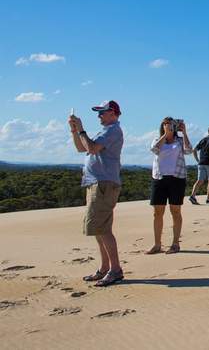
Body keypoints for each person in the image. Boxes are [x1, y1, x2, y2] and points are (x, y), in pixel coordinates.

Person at [68, 100, 125, 287]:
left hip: (104, 184)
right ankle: (105, 268)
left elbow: (91, 148)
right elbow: (81, 148)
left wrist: (82, 129)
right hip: (96, 183)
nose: (99, 115)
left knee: (103, 228)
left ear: (113, 113)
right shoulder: (105, 131)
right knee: (98, 229)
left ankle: (115, 270)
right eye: (99, 112)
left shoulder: (113, 130)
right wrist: (75, 130)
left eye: (103, 112)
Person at [148, 117, 193, 254]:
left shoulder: (179, 141)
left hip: (177, 178)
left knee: (175, 211)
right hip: (159, 178)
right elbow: (154, 150)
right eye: (166, 125)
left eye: (171, 125)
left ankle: (175, 244)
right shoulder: (157, 140)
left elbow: (189, 150)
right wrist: (165, 135)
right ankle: (157, 244)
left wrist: (184, 132)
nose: (169, 127)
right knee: (157, 213)